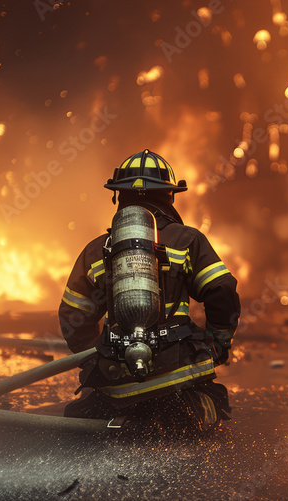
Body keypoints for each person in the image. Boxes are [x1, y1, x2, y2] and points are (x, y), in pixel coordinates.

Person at [58, 149, 240, 431]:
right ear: (169, 195)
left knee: (77, 425)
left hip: (119, 386)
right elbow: (222, 289)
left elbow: (73, 315)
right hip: (179, 379)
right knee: (212, 406)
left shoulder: (95, 250)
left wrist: (97, 358)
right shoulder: (187, 239)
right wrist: (218, 343)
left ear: (118, 196)